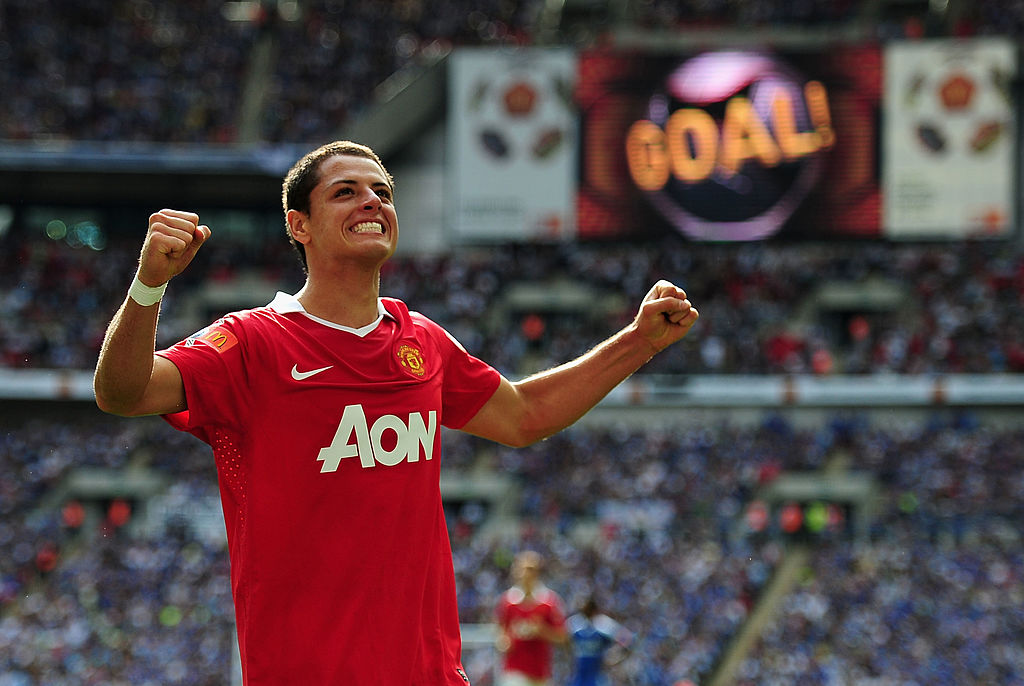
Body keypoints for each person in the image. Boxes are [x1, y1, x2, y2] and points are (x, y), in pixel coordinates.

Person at [92, 140, 699, 685]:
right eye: (346, 192)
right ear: (298, 225)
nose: (372, 202)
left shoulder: (421, 340)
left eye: (383, 192)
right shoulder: (252, 343)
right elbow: (124, 393)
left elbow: (524, 416)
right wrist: (148, 286)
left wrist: (638, 341)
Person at [494, 550, 568, 686]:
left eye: (530, 569)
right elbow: (501, 634)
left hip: (540, 673)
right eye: (521, 569)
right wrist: (506, 642)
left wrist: (541, 631)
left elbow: (562, 637)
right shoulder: (507, 601)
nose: (525, 574)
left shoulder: (550, 601)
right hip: (514, 670)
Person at [566, 595, 634, 686]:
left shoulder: (603, 624)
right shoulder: (575, 622)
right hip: (579, 675)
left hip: (597, 675)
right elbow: (562, 639)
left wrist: (614, 658)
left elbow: (627, 638)